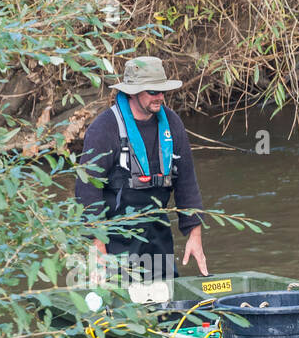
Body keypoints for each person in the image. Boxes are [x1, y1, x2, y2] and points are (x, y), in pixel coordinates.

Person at [75, 56, 207, 282]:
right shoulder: (105, 129)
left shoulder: (172, 124)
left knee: (166, 305)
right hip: (115, 238)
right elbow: (87, 191)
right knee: (119, 307)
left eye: (162, 90)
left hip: (157, 235)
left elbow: (186, 182)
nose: (160, 97)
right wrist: (97, 246)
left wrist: (194, 235)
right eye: (153, 91)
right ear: (133, 92)